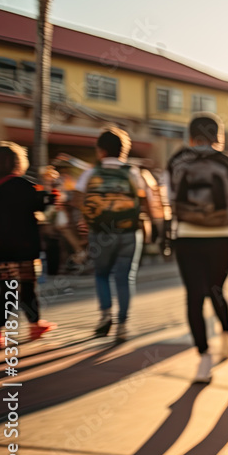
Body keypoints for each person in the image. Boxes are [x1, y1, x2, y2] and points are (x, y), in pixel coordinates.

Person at [166, 113, 228, 382]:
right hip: (222, 235)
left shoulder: (176, 161)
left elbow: (168, 199)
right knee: (216, 288)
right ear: (217, 136)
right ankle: (226, 338)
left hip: (186, 235)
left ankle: (203, 359)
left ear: (190, 136)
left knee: (194, 294)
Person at [74, 128, 153, 341]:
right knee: (125, 278)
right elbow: (145, 201)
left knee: (101, 274)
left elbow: (77, 197)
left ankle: (105, 315)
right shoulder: (133, 172)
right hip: (129, 232)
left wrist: (87, 219)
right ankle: (123, 326)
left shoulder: (91, 173)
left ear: (100, 151)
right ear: (124, 151)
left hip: (100, 232)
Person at [0, 143, 57, 350]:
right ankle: (35, 325)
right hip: (24, 248)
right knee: (27, 287)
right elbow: (44, 203)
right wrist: (51, 186)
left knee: (5, 290)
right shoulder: (23, 185)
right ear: (18, 163)